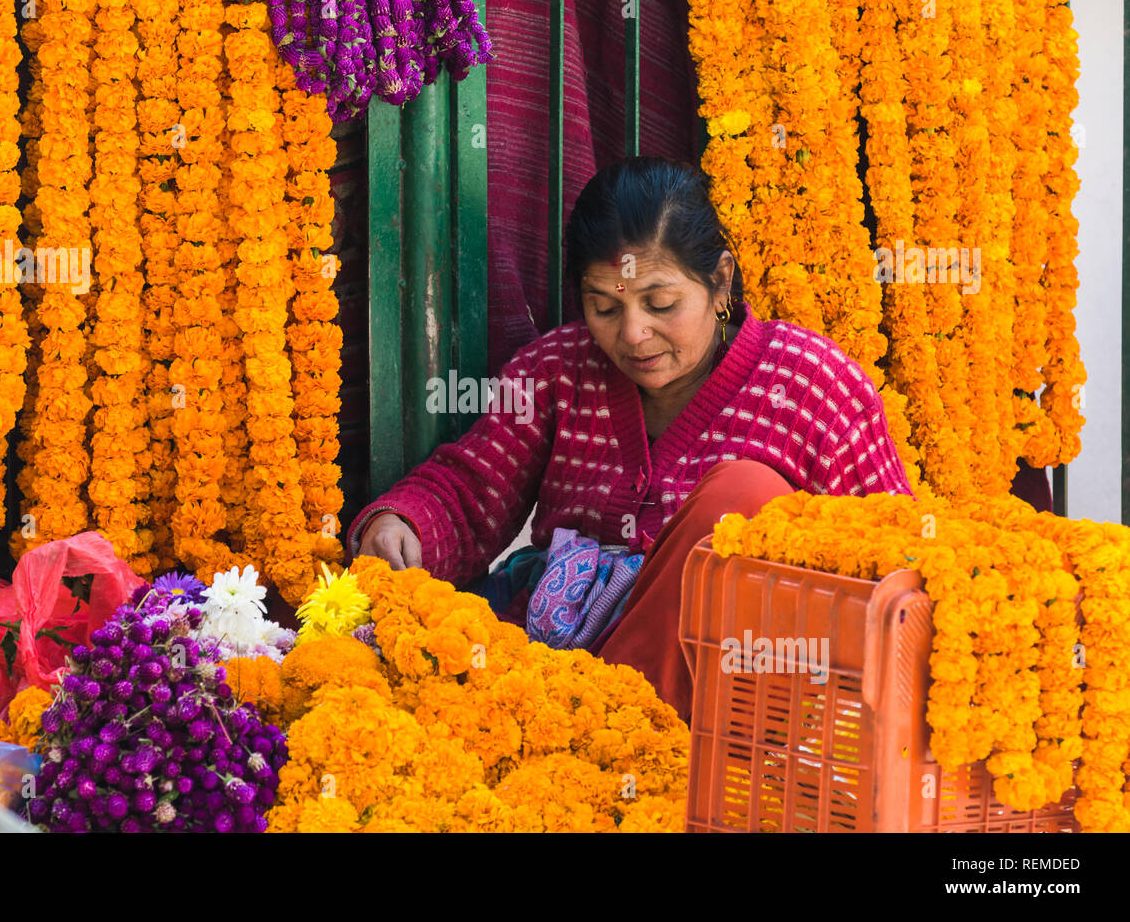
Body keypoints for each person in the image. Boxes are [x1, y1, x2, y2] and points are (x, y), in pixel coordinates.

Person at [346, 156, 914, 722]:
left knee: (742, 495)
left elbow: (895, 558)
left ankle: (631, 729)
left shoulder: (813, 385)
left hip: (731, 696)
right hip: (550, 668)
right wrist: (404, 523)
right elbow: (472, 488)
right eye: (605, 307)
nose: (633, 334)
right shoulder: (557, 370)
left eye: (660, 304)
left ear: (719, 282)